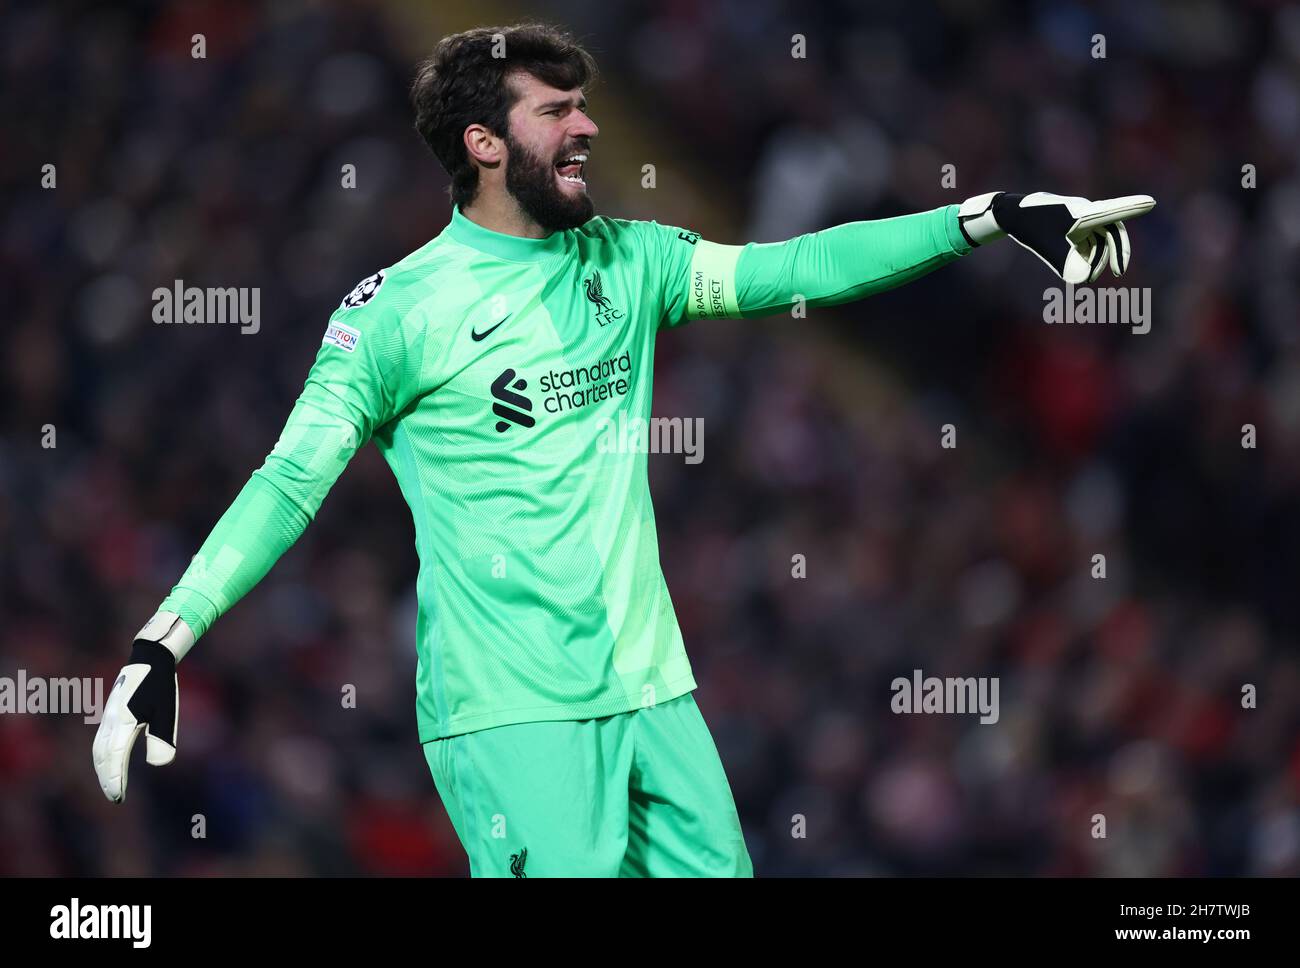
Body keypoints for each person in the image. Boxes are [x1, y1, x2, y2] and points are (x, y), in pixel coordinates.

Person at [92, 22, 1153, 877]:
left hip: (652, 690)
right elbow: (288, 480)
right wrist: (164, 639)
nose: (588, 126)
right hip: (512, 710)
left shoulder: (630, 260)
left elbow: (793, 271)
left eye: (585, 103)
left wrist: (984, 214)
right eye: (556, 111)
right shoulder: (397, 313)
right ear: (484, 143)